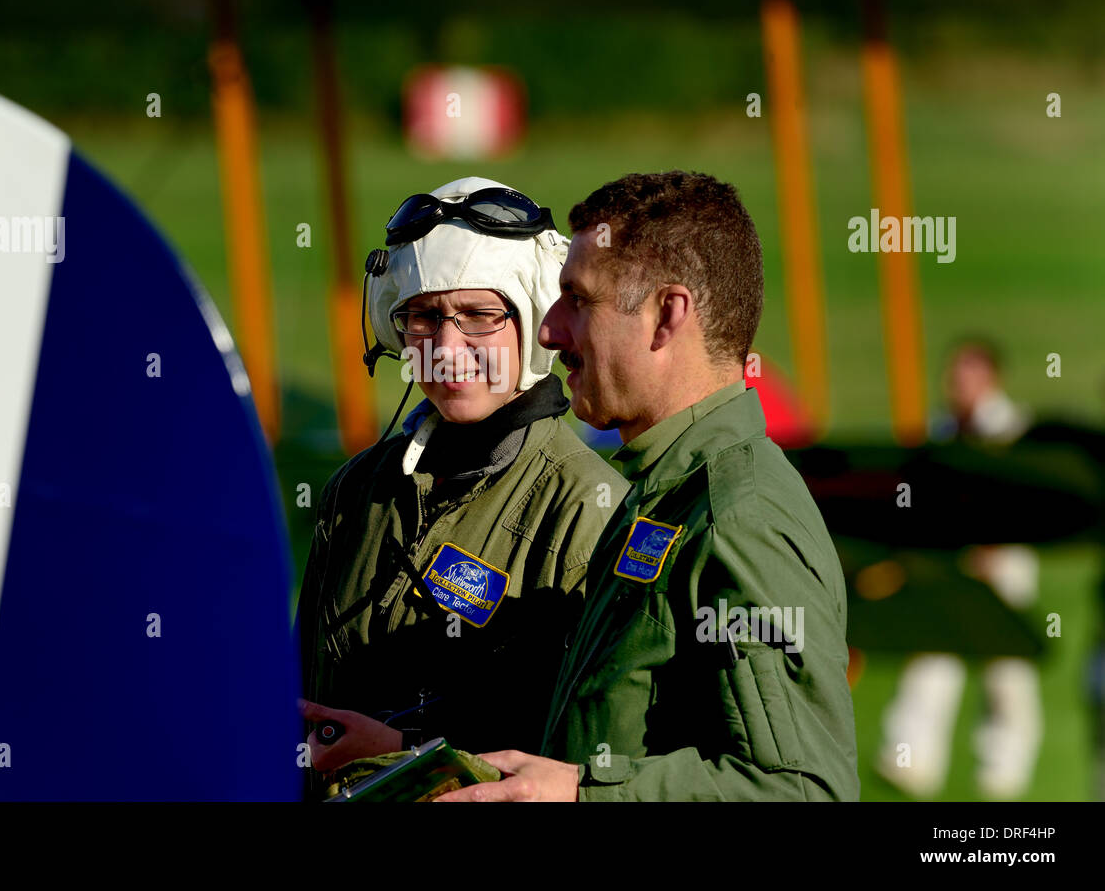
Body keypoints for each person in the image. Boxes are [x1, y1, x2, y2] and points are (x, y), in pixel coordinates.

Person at [437, 171, 859, 801]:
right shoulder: (663, 493)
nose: (550, 331)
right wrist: (417, 763)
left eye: (577, 299)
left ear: (667, 314)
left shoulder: (736, 516)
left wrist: (586, 795)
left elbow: (804, 792)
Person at [298, 176, 628, 783]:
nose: (447, 347)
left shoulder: (590, 507)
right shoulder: (354, 492)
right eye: (423, 317)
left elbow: (583, 758)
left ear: (532, 320)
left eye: (479, 316)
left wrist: (398, 748)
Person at [876, 338, 1042, 799]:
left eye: (967, 375)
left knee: (1007, 675)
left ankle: (1002, 775)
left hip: (1002, 562)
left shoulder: (1011, 429)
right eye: (954, 375)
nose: (956, 384)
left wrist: (992, 547)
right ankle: (910, 759)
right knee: (932, 658)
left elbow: (1022, 496)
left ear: (990, 378)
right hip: (952, 563)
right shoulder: (944, 429)